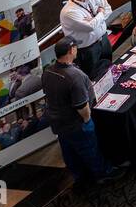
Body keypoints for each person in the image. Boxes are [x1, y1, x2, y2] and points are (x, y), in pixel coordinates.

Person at [40, 38, 126, 187]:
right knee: (89, 149)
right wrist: (87, 120)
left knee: (69, 152)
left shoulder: (47, 72)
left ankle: (79, 177)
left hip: (58, 123)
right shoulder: (75, 76)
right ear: (71, 50)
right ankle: (103, 174)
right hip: (76, 124)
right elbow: (82, 107)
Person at [59, 0, 113, 78]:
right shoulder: (69, 11)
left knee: (110, 68)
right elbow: (90, 27)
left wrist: (95, 19)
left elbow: (109, 9)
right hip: (88, 49)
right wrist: (100, 13)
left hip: (104, 40)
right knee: (94, 76)